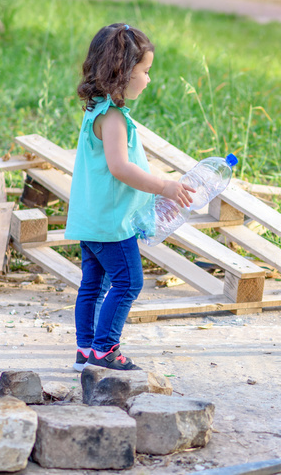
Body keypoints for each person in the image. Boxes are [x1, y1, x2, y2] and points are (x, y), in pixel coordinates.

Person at [65, 23, 195, 370]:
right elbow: (120, 167)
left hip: (92, 219)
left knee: (93, 285)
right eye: (145, 71)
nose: (149, 79)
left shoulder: (97, 110)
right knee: (128, 282)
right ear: (122, 72)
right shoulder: (112, 118)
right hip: (112, 223)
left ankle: (86, 350)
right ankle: (106, 349)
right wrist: (164, 186)